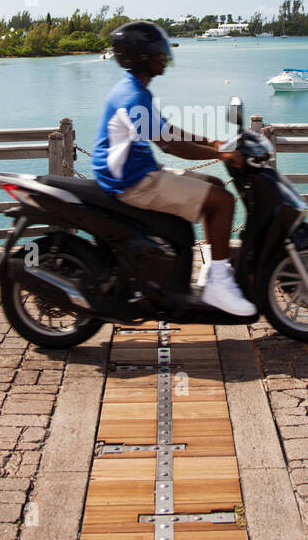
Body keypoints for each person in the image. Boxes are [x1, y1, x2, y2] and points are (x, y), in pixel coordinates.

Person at [92, 20, 256, 317]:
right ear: (143, 57)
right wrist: (220, 154)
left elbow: (167, 131)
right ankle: (219, 285)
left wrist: (213, 142)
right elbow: (170, 145)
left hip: (139, 174)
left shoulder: (134, 89)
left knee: (215, 188)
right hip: (133, 184)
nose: (164, 57)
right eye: (158, 52)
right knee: (223, 202)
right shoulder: (133, 97)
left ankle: (211, 270)